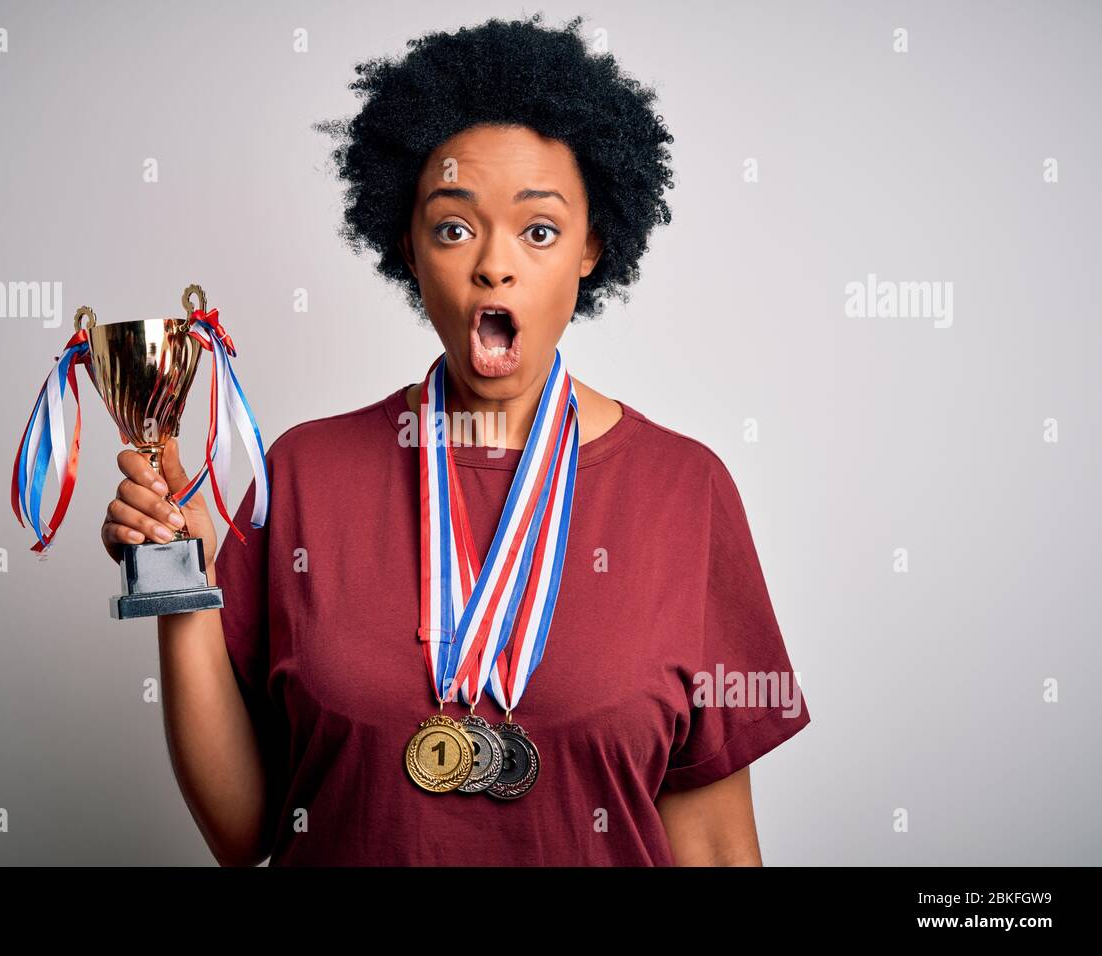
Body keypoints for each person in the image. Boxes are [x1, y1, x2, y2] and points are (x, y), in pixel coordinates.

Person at [100, 14, 810, 866]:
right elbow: (242, 832)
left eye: (539, 230)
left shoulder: (684, 489)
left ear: (591, 247)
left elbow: (718, 846)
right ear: (409, 246)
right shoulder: (303, 473)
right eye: (454, 228)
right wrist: (178, 576)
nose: (494, 266)